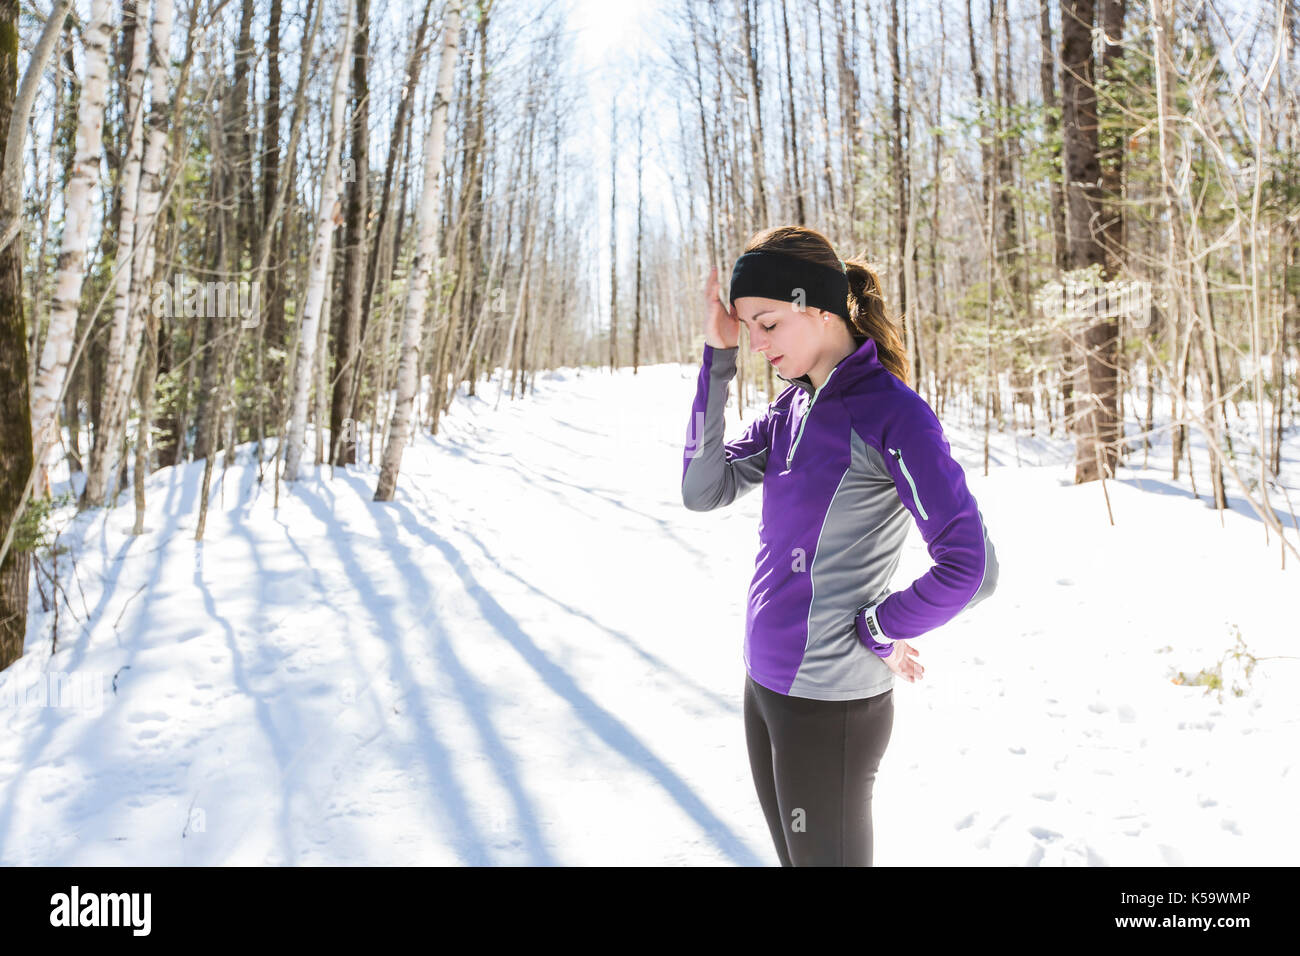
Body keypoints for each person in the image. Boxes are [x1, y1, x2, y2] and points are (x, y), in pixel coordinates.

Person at [681, 225, 999, 866]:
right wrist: (717, 361)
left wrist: (881, 626)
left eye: (767, 323)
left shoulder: (890, 412)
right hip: (764, 686)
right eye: (747, 327)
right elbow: (702, 487)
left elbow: (972, 567)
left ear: (820, 307)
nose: (757, 344)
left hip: (829, 706)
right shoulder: (791, 407)